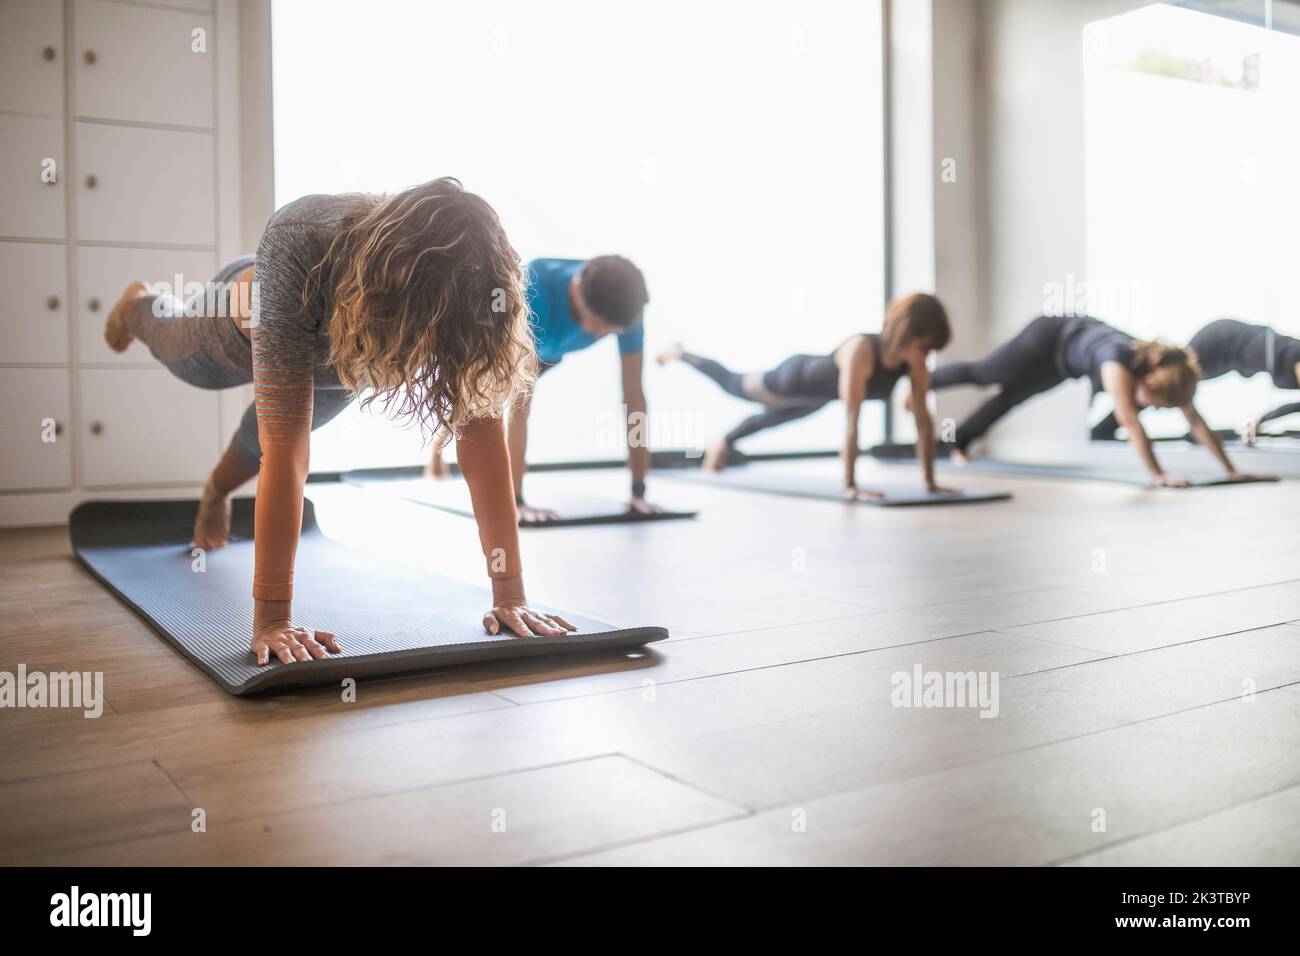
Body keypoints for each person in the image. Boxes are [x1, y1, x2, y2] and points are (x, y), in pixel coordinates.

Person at [103, 178, 576, 665]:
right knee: (186, 363)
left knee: (251, 443)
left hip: (344, 368)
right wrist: (273, 621)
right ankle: (140, 304)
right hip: (239, 325)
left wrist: (510, 593)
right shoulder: (301, 236)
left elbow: (481, 437)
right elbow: (284, 454)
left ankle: (216, 492)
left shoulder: (478, 288)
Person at [428, 256, 662, 522]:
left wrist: (638, 493)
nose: (601, 335)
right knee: (477, 401)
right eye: (598, 328)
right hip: (503, 339)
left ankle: (441, 448)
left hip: (551, 349)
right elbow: (519, 404)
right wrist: (516, 502)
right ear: (578, 294)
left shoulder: (626, 309)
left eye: (611, 331)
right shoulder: (533, 289)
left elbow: (634, 396)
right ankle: (437, 449)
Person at [656, 293, 954, 499]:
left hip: (818, 395)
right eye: (925, 346)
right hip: (792, 378)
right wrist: (850, 485)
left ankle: (723, 442)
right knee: (734, 384)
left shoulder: (914, 363)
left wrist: (930, 483)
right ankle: (681, 353)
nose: (927, 355)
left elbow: (924, 424)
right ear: (905, 333)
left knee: (775, 419)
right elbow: (853, 421)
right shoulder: (861, 350)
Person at [930, 314, 1256, 486]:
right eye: (1158, 404)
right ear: (1150, 381)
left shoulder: (1163, 373)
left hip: (1063, 363)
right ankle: (922, 385)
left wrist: (1231, 470)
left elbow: (1196, 421)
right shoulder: (1116, 363)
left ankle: (958, 441)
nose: (1155, 409)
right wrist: (1159, 474)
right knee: (986, 374)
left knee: (1012, 398)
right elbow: (1129, 419)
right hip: (1047, 338)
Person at [1091, 319, 1300, 443]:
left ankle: (1100, 431)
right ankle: (1100, 431)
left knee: (1164, 394)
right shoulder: (1291, 357)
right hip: (1219, 341)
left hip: (1229, 346)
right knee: (1164, 392)